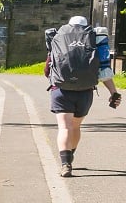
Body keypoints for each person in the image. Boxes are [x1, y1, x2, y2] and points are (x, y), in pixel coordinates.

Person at [44, 14, 121, 176]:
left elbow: (48, 70)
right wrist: (113, 92)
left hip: (60, 90)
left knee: (64, 127)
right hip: (85, 91)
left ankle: (65, 164)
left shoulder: (59, 38)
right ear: (86, 26)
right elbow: (104, 71)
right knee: (76, 126)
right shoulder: (94, 39)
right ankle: (70, 155)